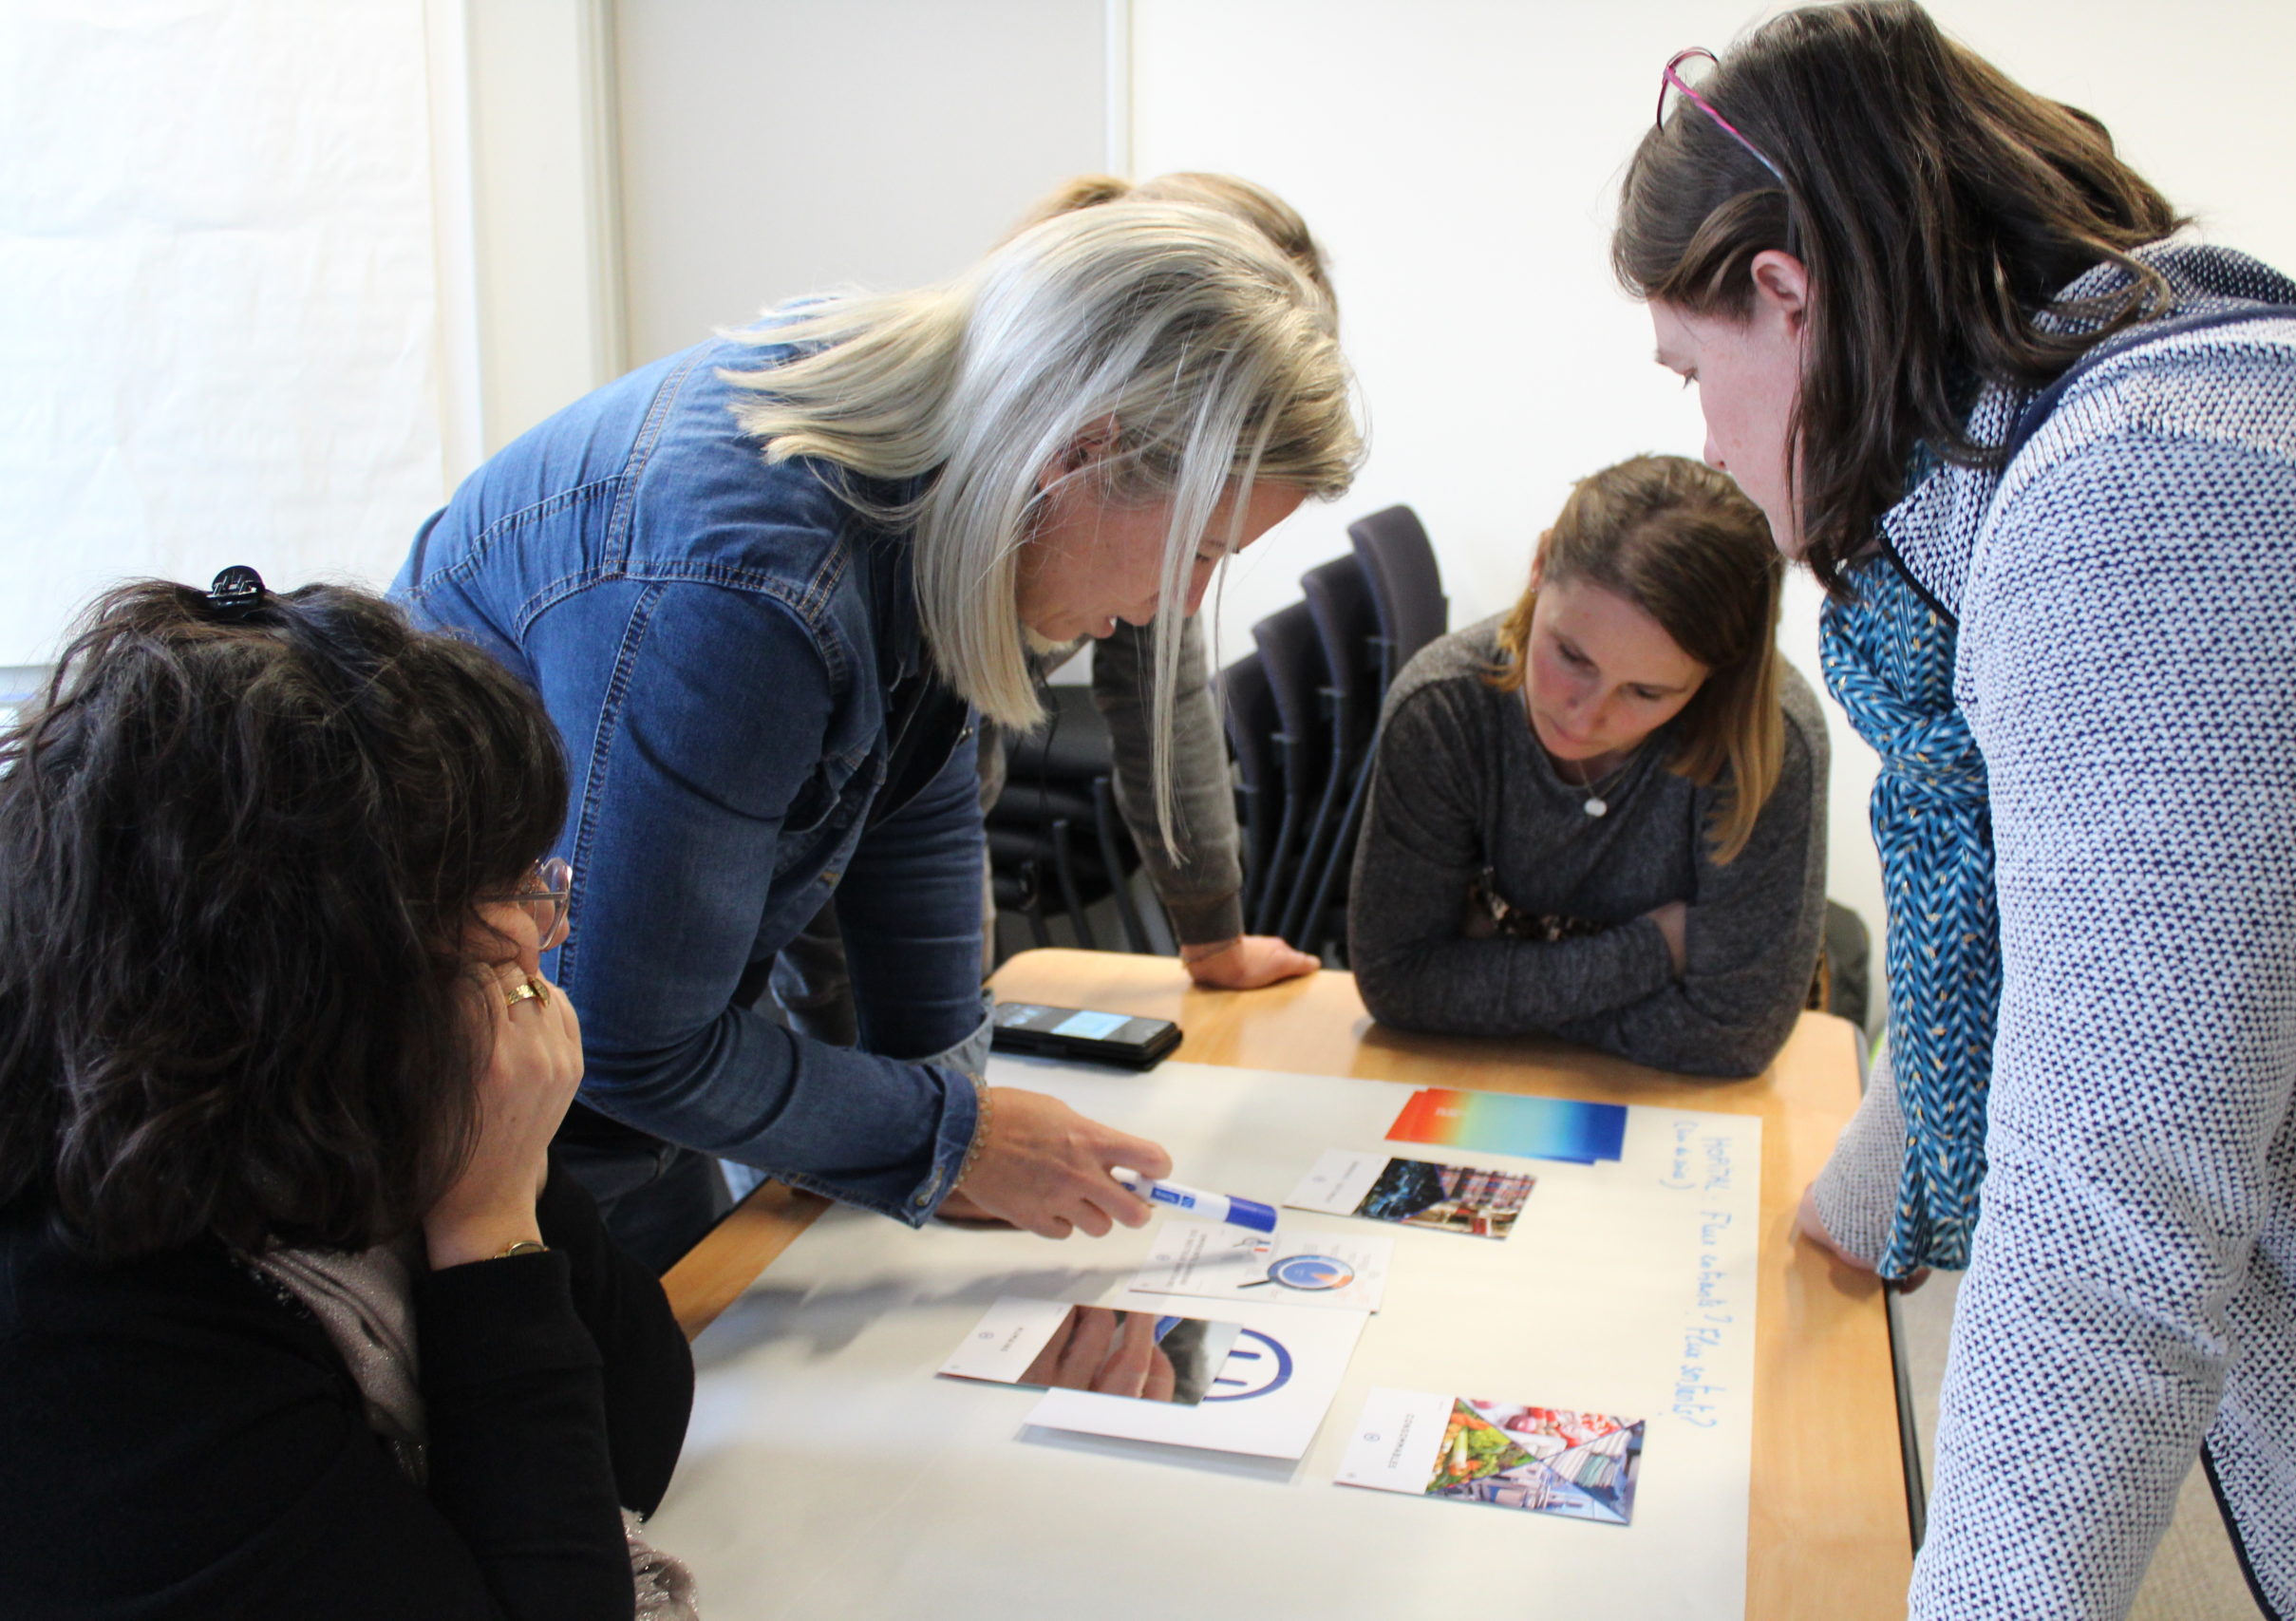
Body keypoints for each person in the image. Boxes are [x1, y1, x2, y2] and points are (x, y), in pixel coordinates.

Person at [1614, 4, 2296, 1615]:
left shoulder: (2151, 501)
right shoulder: (2187, 396)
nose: (1703, 437)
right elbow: (2083, 965)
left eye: (1694, 371)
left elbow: (2108, 1241)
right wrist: (1854, 1206)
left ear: (1786, 294)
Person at [396, 198, 1361, 1271]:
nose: (1181, 604)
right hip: (455, 1095)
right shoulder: (745, 590)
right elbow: (629, 1041)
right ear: (1084, 451)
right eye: (1201, 550)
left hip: (593, 1076)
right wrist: (956, 1137)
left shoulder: (945, 452)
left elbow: (910, 784)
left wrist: (952, 1106)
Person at [0, 575, 693, 1620]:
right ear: (312, 967)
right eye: (497, 890)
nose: (541, 931)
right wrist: (490, 1233)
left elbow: (640, 1433)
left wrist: (502, 1162)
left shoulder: (331, 1109)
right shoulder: (91, 1336)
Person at [778, 172, 1344, 1054]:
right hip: (846, 769)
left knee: (936, 1030)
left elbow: (1163, 702)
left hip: (944, 763)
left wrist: (1211, 928)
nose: (1190, 594)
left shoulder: (1139, 502)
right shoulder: (844, 550)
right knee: (844, 1035)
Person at [1347, 455, 1827, 1077]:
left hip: (1684, 1103)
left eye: (1647, 692)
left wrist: (1495, 975)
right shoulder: (1443, 707)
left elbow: (1733, 1034)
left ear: (1715, 675)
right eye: (1572, 655)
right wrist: (1658, 948)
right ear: (1541, 562)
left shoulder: (1768, 741)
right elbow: (1399, 981)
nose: (1587, 715)